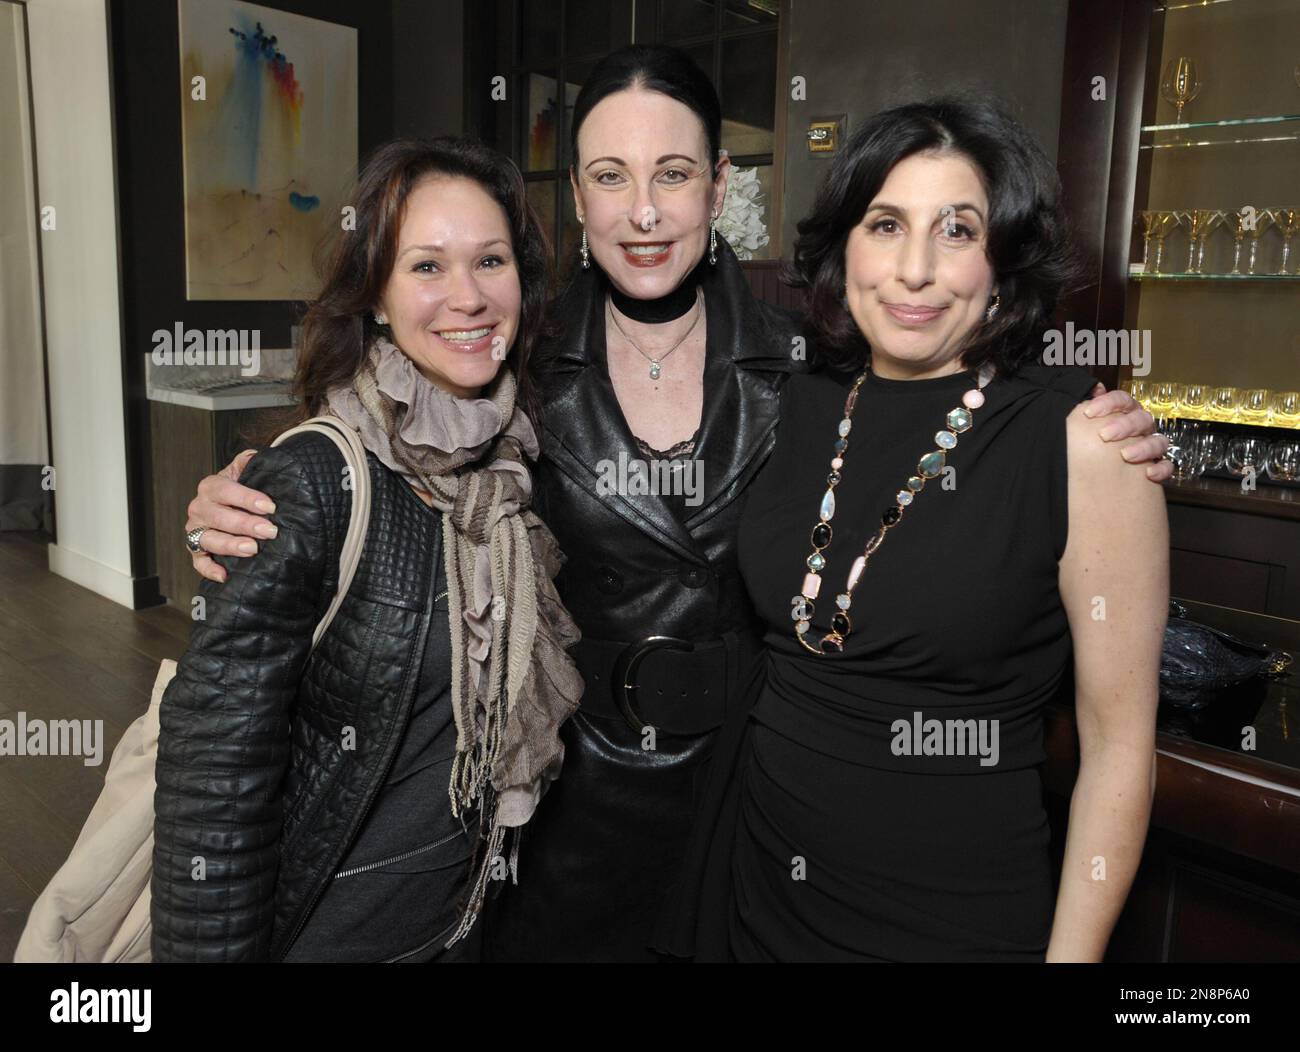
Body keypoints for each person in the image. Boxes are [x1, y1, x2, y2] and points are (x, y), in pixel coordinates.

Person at [180, 47, 1170, 962]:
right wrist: (267, 484)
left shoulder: (805, 362)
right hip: (570, 807)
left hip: (743, 798)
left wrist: (1085, 424)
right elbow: (402, 433)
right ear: (575, 196)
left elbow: (950, 381)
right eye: (609, 176)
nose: (643, 211)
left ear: (718, 189)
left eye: (673, 174)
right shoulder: (518, 351)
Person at [654, 97, 1168, 962]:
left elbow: (1119, 750)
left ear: (1003, 262)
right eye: (885, 224)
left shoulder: (1082, 444)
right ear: (845, 247)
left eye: (958, 231)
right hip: (759, 893)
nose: (915, 270)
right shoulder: (802, 398)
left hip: (949, 919)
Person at [151, 137, 583, 962]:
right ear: (377, 298)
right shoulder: (313, 480)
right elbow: (214, 772)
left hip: (460, 928)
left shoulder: (517, 466)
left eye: (491, 261)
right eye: (426, 266)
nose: (467, 296)